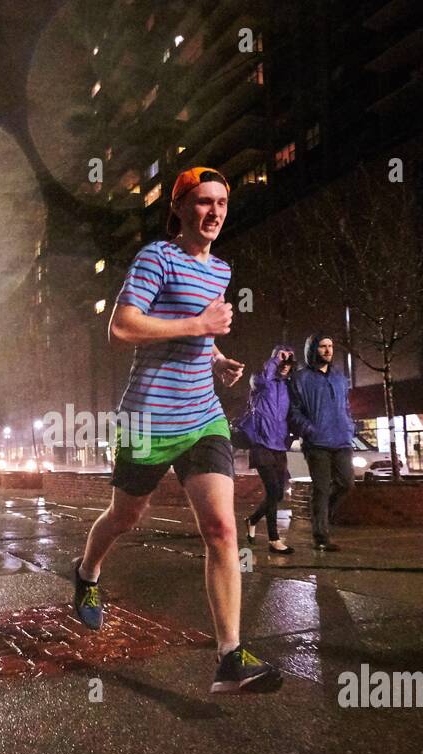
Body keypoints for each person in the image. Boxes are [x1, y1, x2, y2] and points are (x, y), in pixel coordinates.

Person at [71, 167, 281, 694]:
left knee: (222, 529)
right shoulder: (156, 258)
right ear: (181, 209)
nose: (214, 213)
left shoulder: (222, 269)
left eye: (222, 204)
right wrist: (200, 327)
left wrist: (218, 358)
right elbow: (122, 327)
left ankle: (230, 657)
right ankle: (87, 572)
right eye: (203, 203)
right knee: (125, 514)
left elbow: (194, 333)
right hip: (147, 418)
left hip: (202, 417)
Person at [288, 334, 355, 551]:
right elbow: (293, 411)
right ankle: (321, 536)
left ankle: (322, 516)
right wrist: (309, 429)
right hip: (317, 442)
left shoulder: (339, 377)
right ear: (312, 350)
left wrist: (349, 425)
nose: (328, 350)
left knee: (346, 484)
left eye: (330, 346)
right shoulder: (300, 378)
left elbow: (345, 406)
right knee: (322, 488)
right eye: (322, 347)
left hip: (341, 439)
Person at [236, 345, 297, 554]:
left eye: (290, 361)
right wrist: (276, 360)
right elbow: (261, 380)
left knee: (278, 494)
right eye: (282, 359)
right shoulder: (260, 380)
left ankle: (252, 520)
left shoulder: (288, 387)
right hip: (260, 444)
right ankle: (274, 539)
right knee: (272, 490)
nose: (285, 364)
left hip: (279, 446)